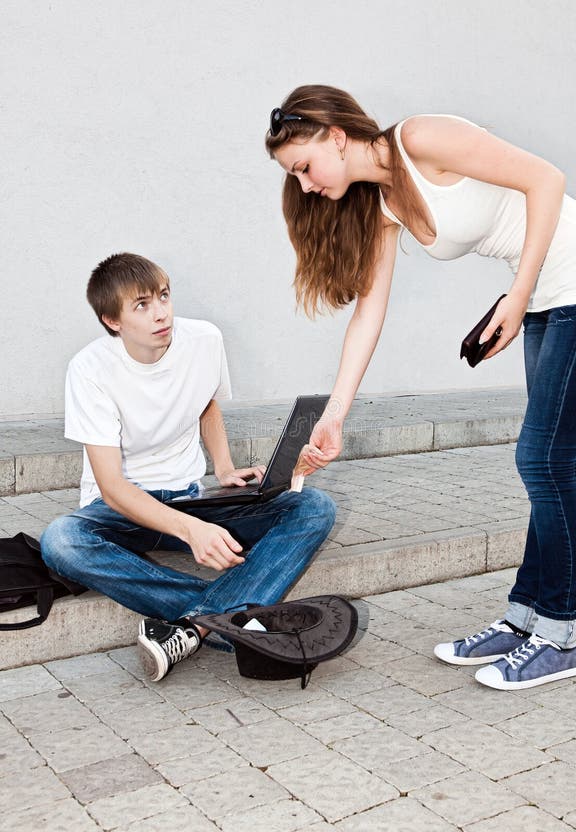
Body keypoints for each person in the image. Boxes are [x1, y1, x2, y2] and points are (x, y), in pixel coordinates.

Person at [266, 84, 576, 691]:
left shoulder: (421, 137)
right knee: (552, 465)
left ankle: (562, 630)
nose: (303, 184)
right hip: (546, 300)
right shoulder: (383, 205)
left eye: (303, 167)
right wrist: (334, 416)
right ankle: (525, 619)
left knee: (542, 460)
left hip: (565, 290)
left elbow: (547, 180)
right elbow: (368, 315)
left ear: (335, 135)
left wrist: (516, 295)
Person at [40, 253, 336, 681]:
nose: (161, 313)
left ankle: (198, 623)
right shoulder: (89, 369)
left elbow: (206, 403)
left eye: (163, 296)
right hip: (124, 510)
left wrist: (224, 468)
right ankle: (239, 616)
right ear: (112, 321)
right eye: (141, 305)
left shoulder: (204, 340)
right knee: (62, 541)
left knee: (314, 507)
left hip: (192, 498)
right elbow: (112, 488)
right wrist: (190, 532)